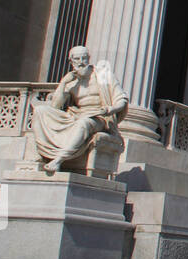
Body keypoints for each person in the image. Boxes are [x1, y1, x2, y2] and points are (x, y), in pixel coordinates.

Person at [30, 46, 128, 174]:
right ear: (71, 61)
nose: (81, 62)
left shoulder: (102, 75)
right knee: (40, 111)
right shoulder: (70, 81)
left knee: (84, 123)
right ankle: (44, 153)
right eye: (77, 59)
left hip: (99, 117)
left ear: (89, 59)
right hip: (76, 115)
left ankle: (58, 159)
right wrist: (64, 83)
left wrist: (110, 109)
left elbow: (122, 100)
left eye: (84, 58)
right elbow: (55, 106)